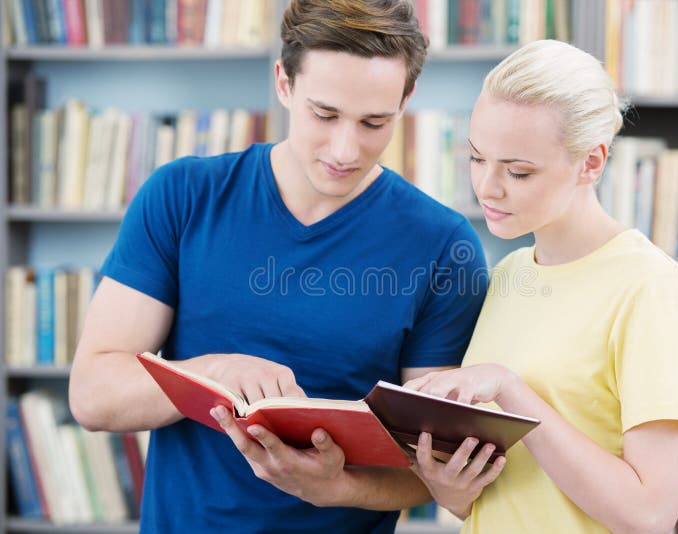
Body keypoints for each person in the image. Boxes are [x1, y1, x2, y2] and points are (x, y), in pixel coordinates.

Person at [68, 1, 488, 532]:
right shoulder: (183, 196)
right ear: (284, 84)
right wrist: (211, 373)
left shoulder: (443, 246)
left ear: (407, 99)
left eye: (374, 122)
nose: (345, 149)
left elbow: (436, 464)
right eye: (325, 114)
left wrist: (337, 488)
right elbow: (92, 395)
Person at [405, 39, 678, 533]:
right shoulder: (507, 276)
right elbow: (492, 499)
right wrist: (452, 487)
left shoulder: (648, 286)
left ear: (591, 162)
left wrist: (509, 388)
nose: (488, 188)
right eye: (478, 159)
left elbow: (650, 514)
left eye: (518, 171)